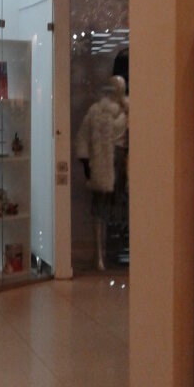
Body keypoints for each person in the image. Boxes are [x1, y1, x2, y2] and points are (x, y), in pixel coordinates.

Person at [75, 74, 128, 271]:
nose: (120, 90)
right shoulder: (96, 112)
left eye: (122, 87)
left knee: (120, 209)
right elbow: (82, 139)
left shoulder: (129, 110)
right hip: (103, 163)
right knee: (100, 210)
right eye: (117, 87)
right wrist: (87, 165)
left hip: (123, 163)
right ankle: (99, 254)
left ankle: (118, 252)